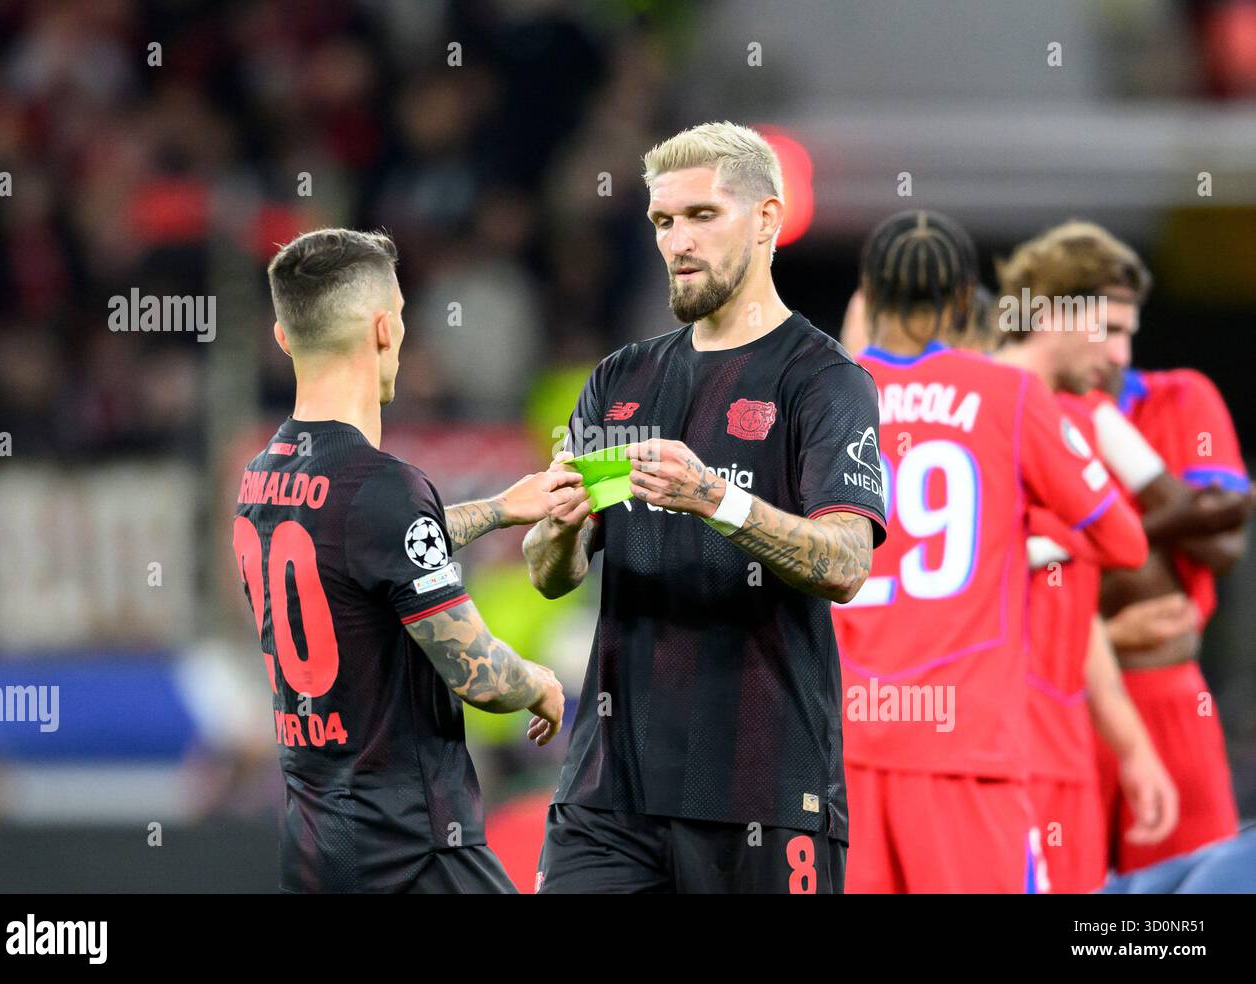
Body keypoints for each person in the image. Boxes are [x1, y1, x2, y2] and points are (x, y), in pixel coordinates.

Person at [522, 121, 887, 894]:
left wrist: (717, 499)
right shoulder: (619, 380)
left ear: (765, 219)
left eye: (701, 216)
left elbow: (846, 562)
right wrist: (558, 527)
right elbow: (552, 576)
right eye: (662, 221)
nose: (677, 241)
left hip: (761, 786)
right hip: (609, 791)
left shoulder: (823, 381)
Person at [232, 228, 575, 893]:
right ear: (385, 330)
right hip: (412, 847)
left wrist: (501, 508)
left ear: (283, 336)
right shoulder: (384, 486)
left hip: (313, 842)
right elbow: (477, 674)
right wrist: (539, 684)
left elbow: (357, 559)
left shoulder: (259, 479)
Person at [832, 210, 1147, 893]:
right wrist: (1025, 527)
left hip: (842, 749)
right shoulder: (1008, 395)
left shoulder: (818, 394)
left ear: (870, 295)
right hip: (967, 748)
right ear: (961, 298)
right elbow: (1125, 541)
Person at [992, 224, 1181, 891]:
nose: (1124, 352)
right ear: (1049, 314)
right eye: (1109, 328)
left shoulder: (1080, 417)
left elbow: (1078, 605)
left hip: (1065, 741)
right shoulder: (976, 412)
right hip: (993, 749)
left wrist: (1131, 747)